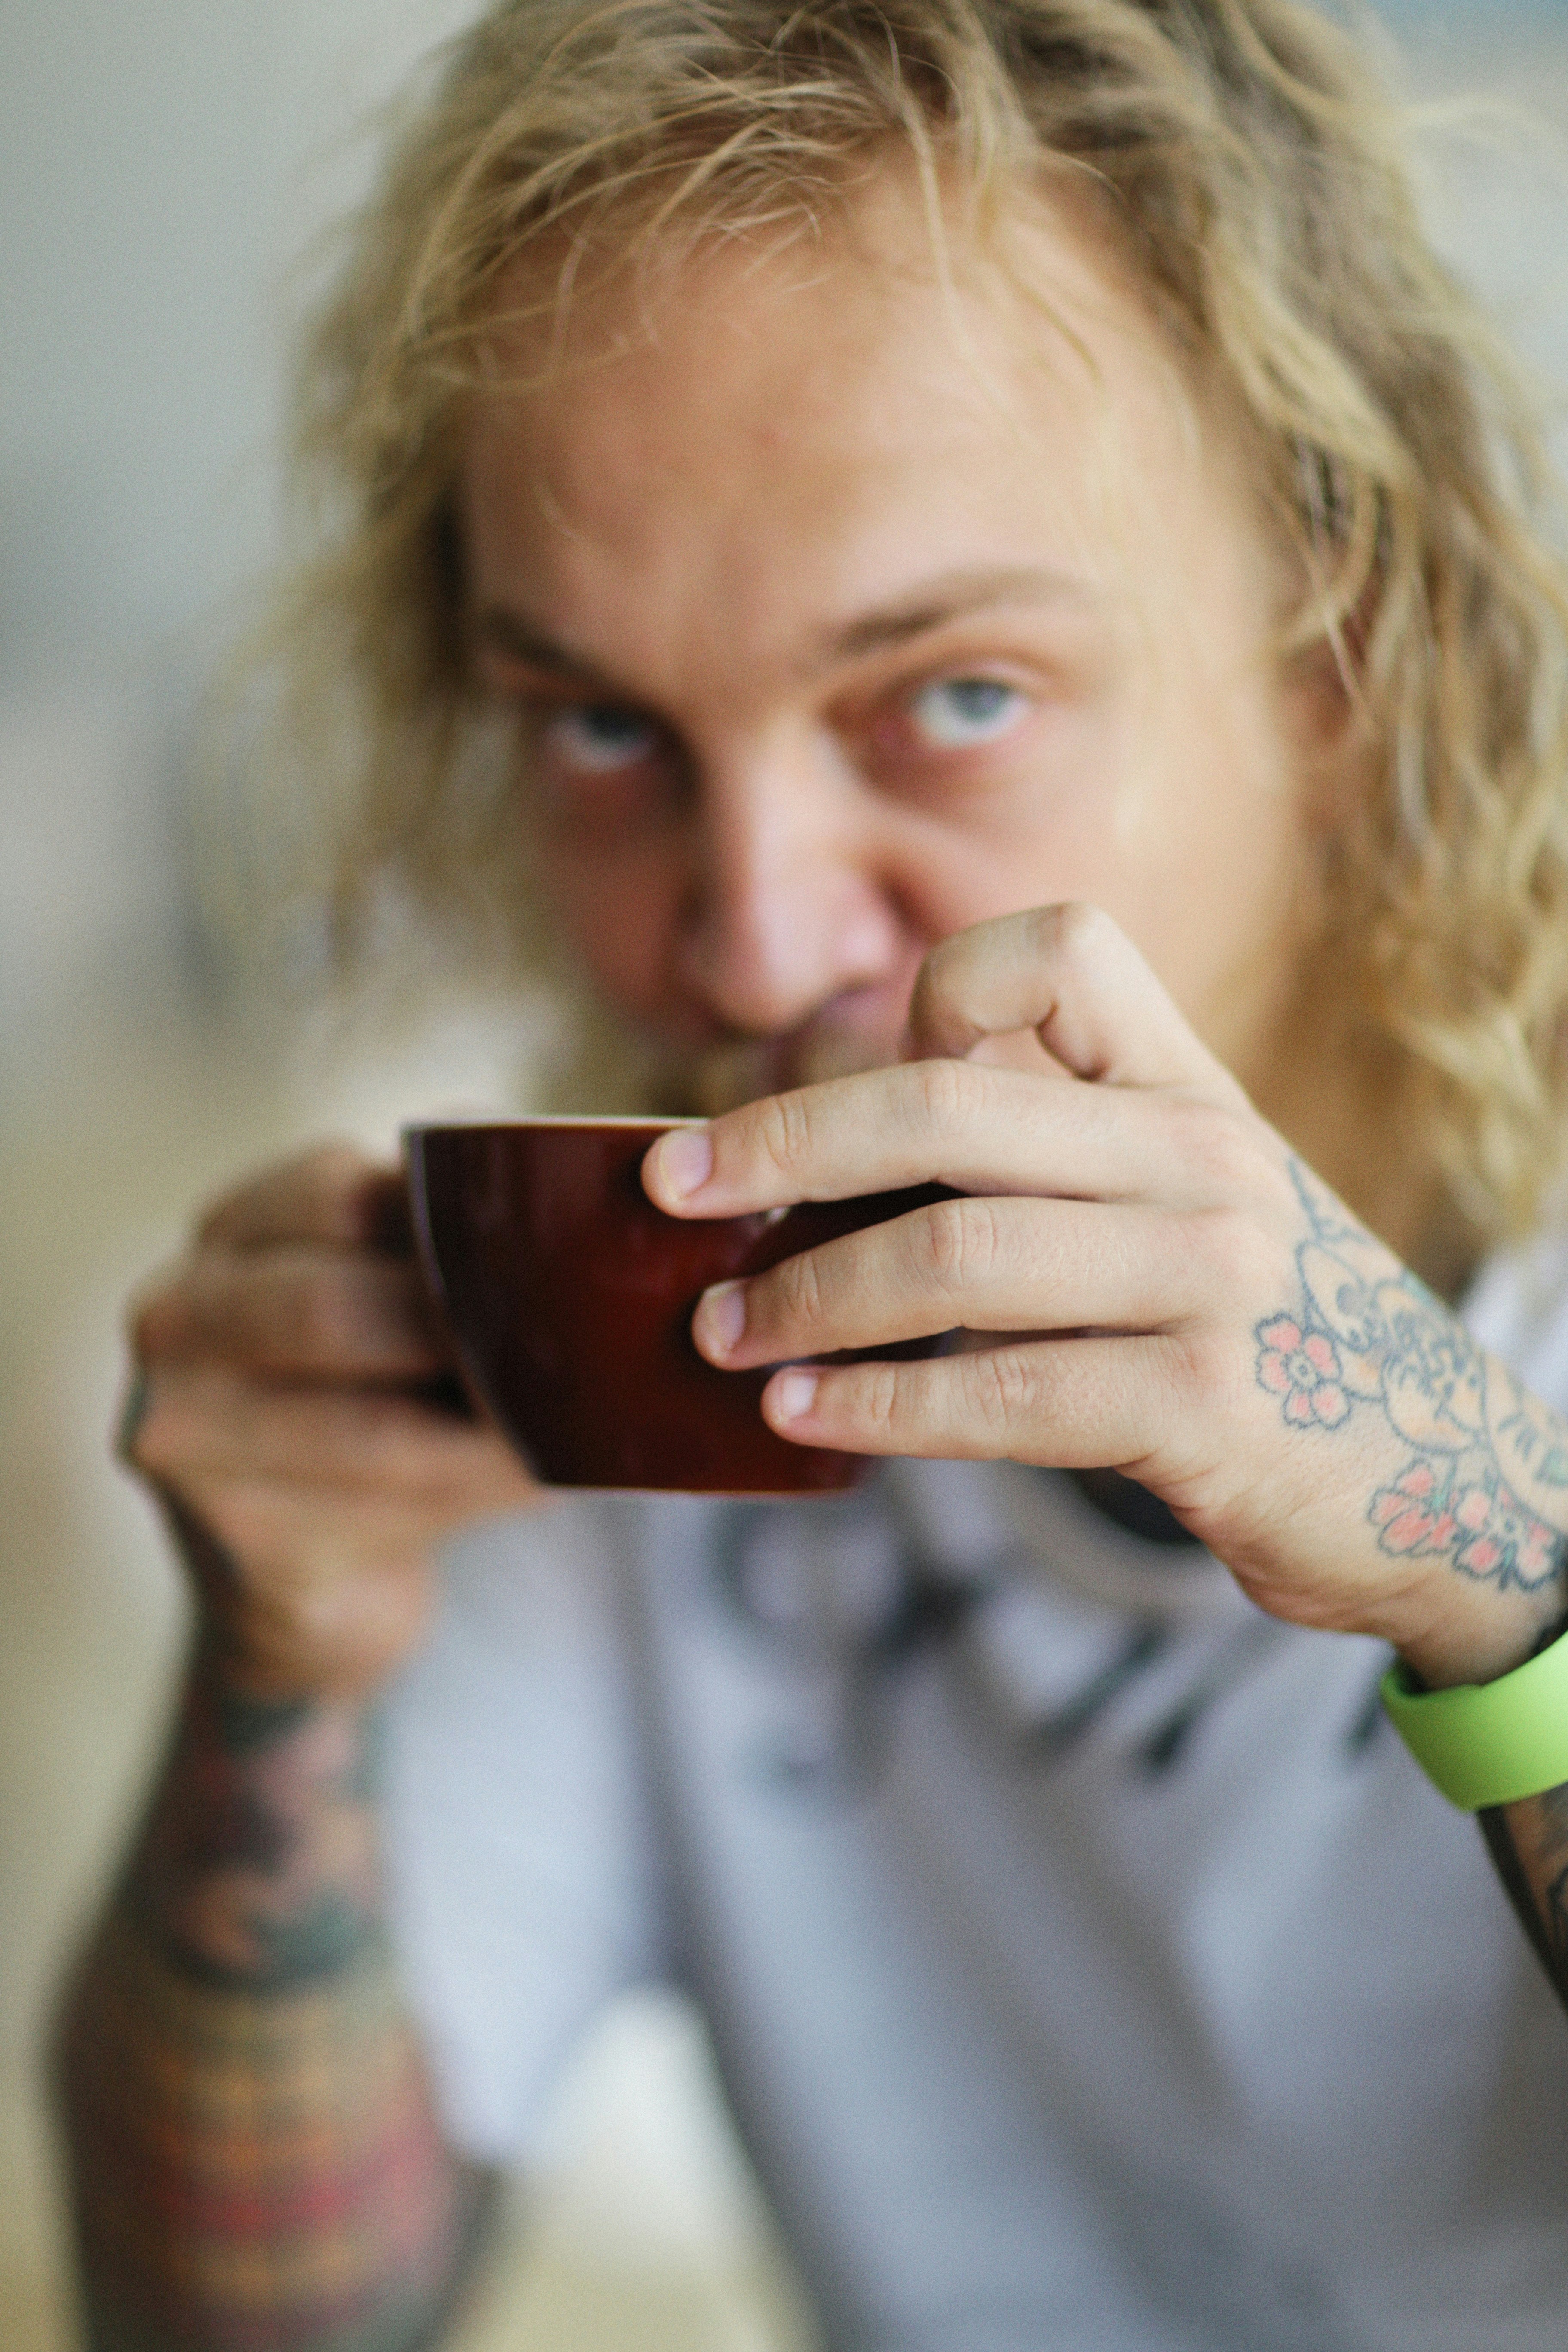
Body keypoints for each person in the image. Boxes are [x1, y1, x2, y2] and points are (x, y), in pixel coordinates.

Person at [55, 1, 1568, 2346]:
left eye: (952, 695)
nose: (746, 939)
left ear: (1338, 651)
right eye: (601, 724)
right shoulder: (639, 1369)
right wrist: (281, 1680)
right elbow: (242, 2322)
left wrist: (1502, 1577)